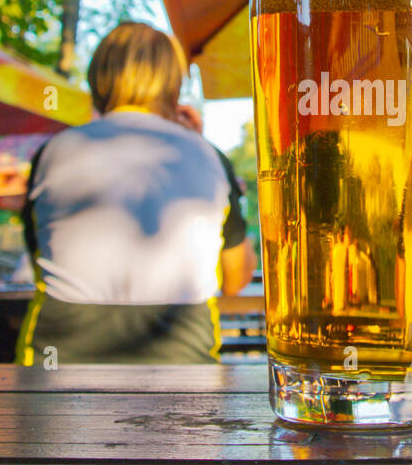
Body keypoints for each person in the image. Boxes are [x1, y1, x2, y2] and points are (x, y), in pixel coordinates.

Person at [17, 21, 256, 365]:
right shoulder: (208, 155)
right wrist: (200, 147)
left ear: (98, 76)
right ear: (173, 85)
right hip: (183, 372)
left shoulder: (53, 151)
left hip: (59, 368)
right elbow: (237, 279)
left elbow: (42, 257)